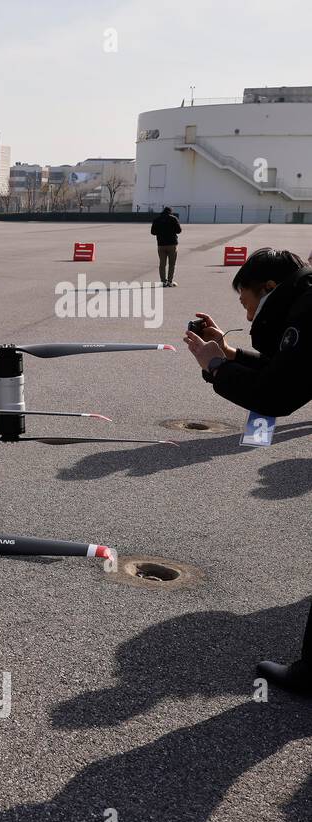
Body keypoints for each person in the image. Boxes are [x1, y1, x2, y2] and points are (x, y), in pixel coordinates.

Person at [184, 247, 312, 695]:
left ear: (269, 289)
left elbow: (277, 394)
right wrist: (229, 353)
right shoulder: (304, 297)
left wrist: (215, 366)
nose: (247, 311)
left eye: (246, 302)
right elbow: (290, 369)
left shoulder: (309, 306)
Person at [151, 206, 182, 287]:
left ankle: (163, 281)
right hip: (172, 244)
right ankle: (170, 281)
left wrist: (160, 232)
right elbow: (179, 231)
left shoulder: (157, 219)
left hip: (161, 245)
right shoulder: (173, 219)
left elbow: (153, 232)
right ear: (170, 212)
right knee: (172, 264)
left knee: (162, 264)